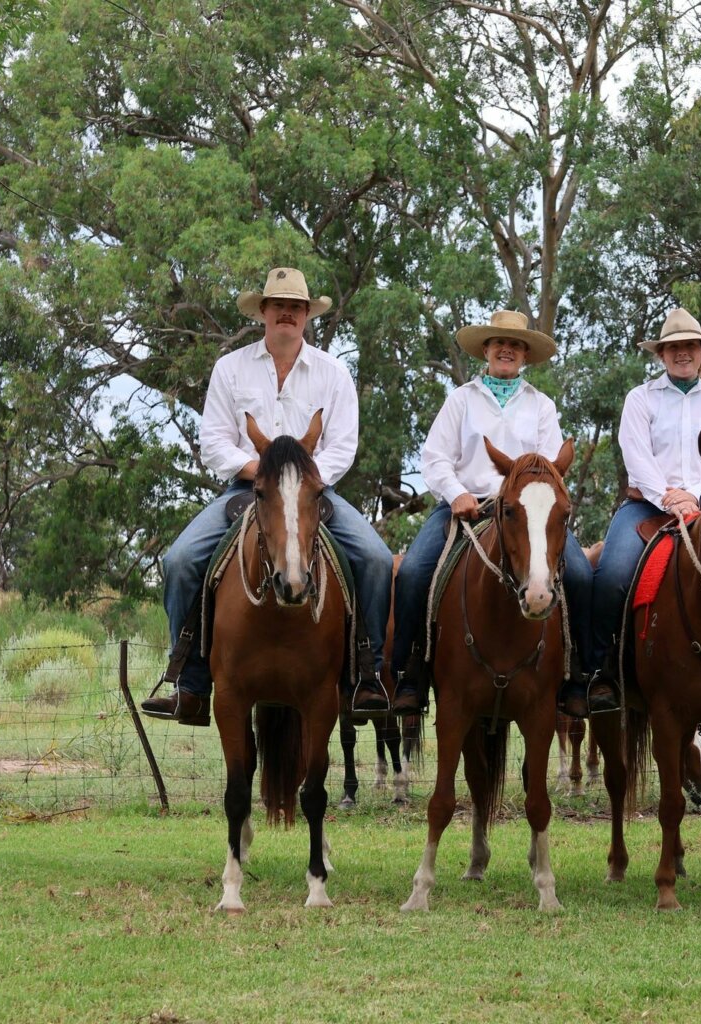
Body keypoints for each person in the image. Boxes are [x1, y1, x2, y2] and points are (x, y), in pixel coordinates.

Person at [142, 267, 394, 725]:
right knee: (179, 561)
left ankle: (366, 676)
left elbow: (342, 445)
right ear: (262, 311)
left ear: (306, 316)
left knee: (376, 559)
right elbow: (215, 440)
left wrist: (302, 480)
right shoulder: (230, 368)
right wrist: (266, 473)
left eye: (296, 307)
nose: (287, 314)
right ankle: (191, 682)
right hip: (247, 490)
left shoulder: (334, 374)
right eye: (279, 305)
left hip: (314, 493)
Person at [387, 310, 594, 717]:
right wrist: (456, 493)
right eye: (498, 342)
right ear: (486, 349)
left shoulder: (541, 406)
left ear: (525, 355)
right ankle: (410, 674)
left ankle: (578, 675)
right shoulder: (461, 399)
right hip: (467, 507)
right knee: (412, 573)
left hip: (528, 513)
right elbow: (434, 458)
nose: (506, 349)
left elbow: (552, 467)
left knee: (583, 576)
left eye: (515, 344)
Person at [582, 308, 701, 715]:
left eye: (690, 346)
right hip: (644, 506)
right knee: (612, 574)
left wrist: (692, 497)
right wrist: (668, 498)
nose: (682, 354)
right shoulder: (640, 399)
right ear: (661, 354)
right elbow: (635, 455)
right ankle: (599, 672)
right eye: (673, 347)